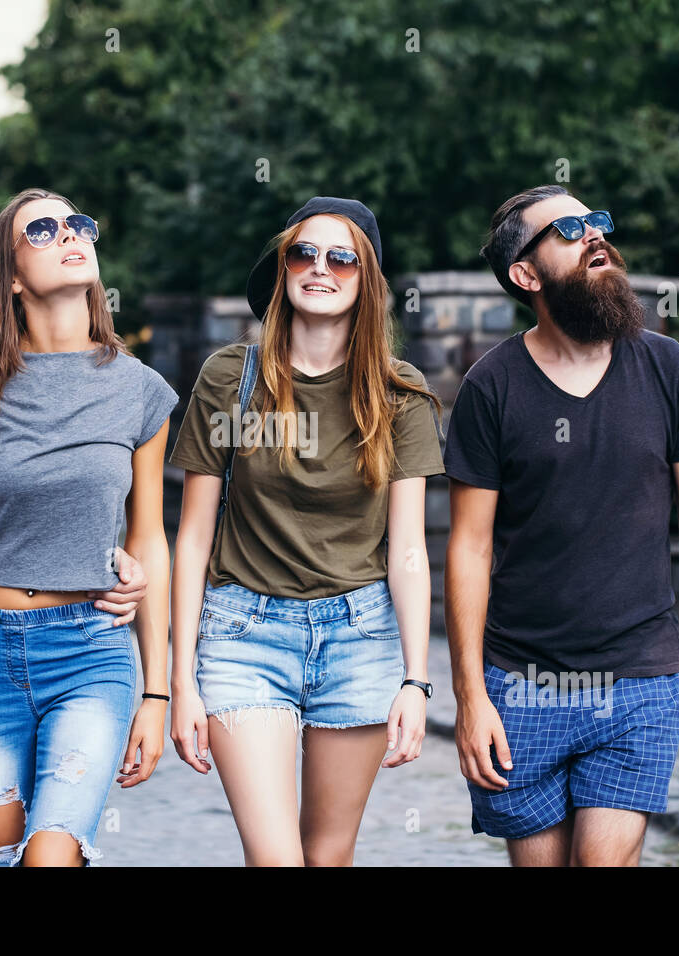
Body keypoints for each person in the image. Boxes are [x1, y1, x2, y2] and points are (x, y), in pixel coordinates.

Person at [444, 184, 679, 866]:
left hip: (638, 676)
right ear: (525, 274)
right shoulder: (491, 388)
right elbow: (469, 547)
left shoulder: (670, 370)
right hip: (520, 684)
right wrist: (470, 697)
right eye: (568, 230)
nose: (594, 235)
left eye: (597, 222)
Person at [168, 196, 445, 866]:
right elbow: (193, 536)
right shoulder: (232, 381)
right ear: (284, 268)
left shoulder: (399, 395)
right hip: (244, 636)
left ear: (367, 280)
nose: (320, 268)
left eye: (341, 257)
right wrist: (180, 680)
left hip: (360, 638)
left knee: (326, 855)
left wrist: (416, 679)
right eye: (304, 253)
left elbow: (408, 550)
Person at [0, 187, 177, 867]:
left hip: (90, 648)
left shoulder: (138, 389)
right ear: (14, 277)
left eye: (79, 222)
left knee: (48, 856)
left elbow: (148, 537)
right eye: (44, 229)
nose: (70, 234)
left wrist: (156, 691)